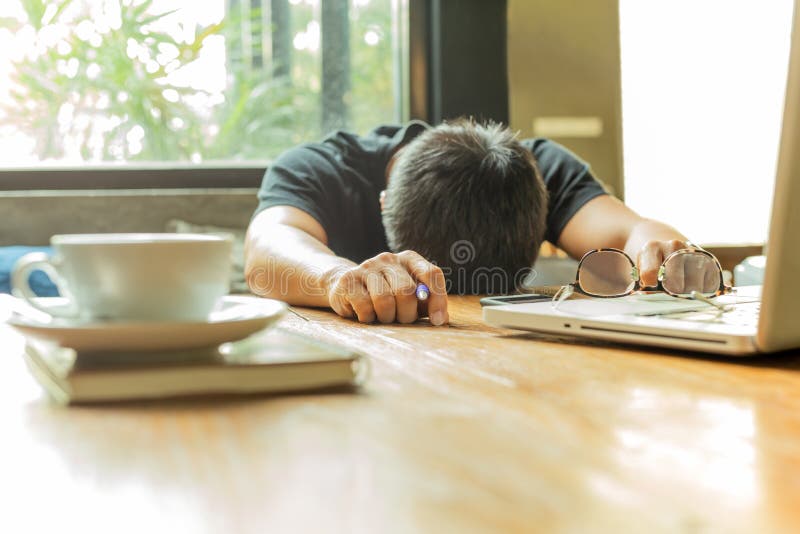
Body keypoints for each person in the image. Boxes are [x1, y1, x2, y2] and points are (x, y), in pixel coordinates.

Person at [244, 118, 691, 326]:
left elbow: (633, 233)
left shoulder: (534, 171)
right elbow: (270, 242)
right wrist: (339, 278)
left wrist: (663, 252)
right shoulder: (320, 169)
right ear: (383, 205)